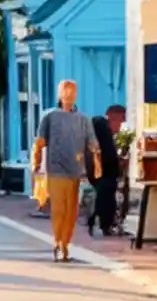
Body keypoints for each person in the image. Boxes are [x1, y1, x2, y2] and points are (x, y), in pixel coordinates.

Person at [31, 80, 102, 262]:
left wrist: (97, 161)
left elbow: (92, 143)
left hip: (76, 170)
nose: (69, 95)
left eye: (72, 92)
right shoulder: (49, 117)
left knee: (72, 211)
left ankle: (65, 243)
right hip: (55, 169)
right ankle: (57, 241)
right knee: (59, 209)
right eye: (65, 92)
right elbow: (39, 142)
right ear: (60, 94)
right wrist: (36, 163)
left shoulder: (83, 119)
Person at [86, 115, 122, 236]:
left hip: (96, 176)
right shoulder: (107, 141)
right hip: (108, 175)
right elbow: (112, 159)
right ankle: (105, 225)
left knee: (99, 199)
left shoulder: (92, 142)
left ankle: (93, 221)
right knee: (107, 201)